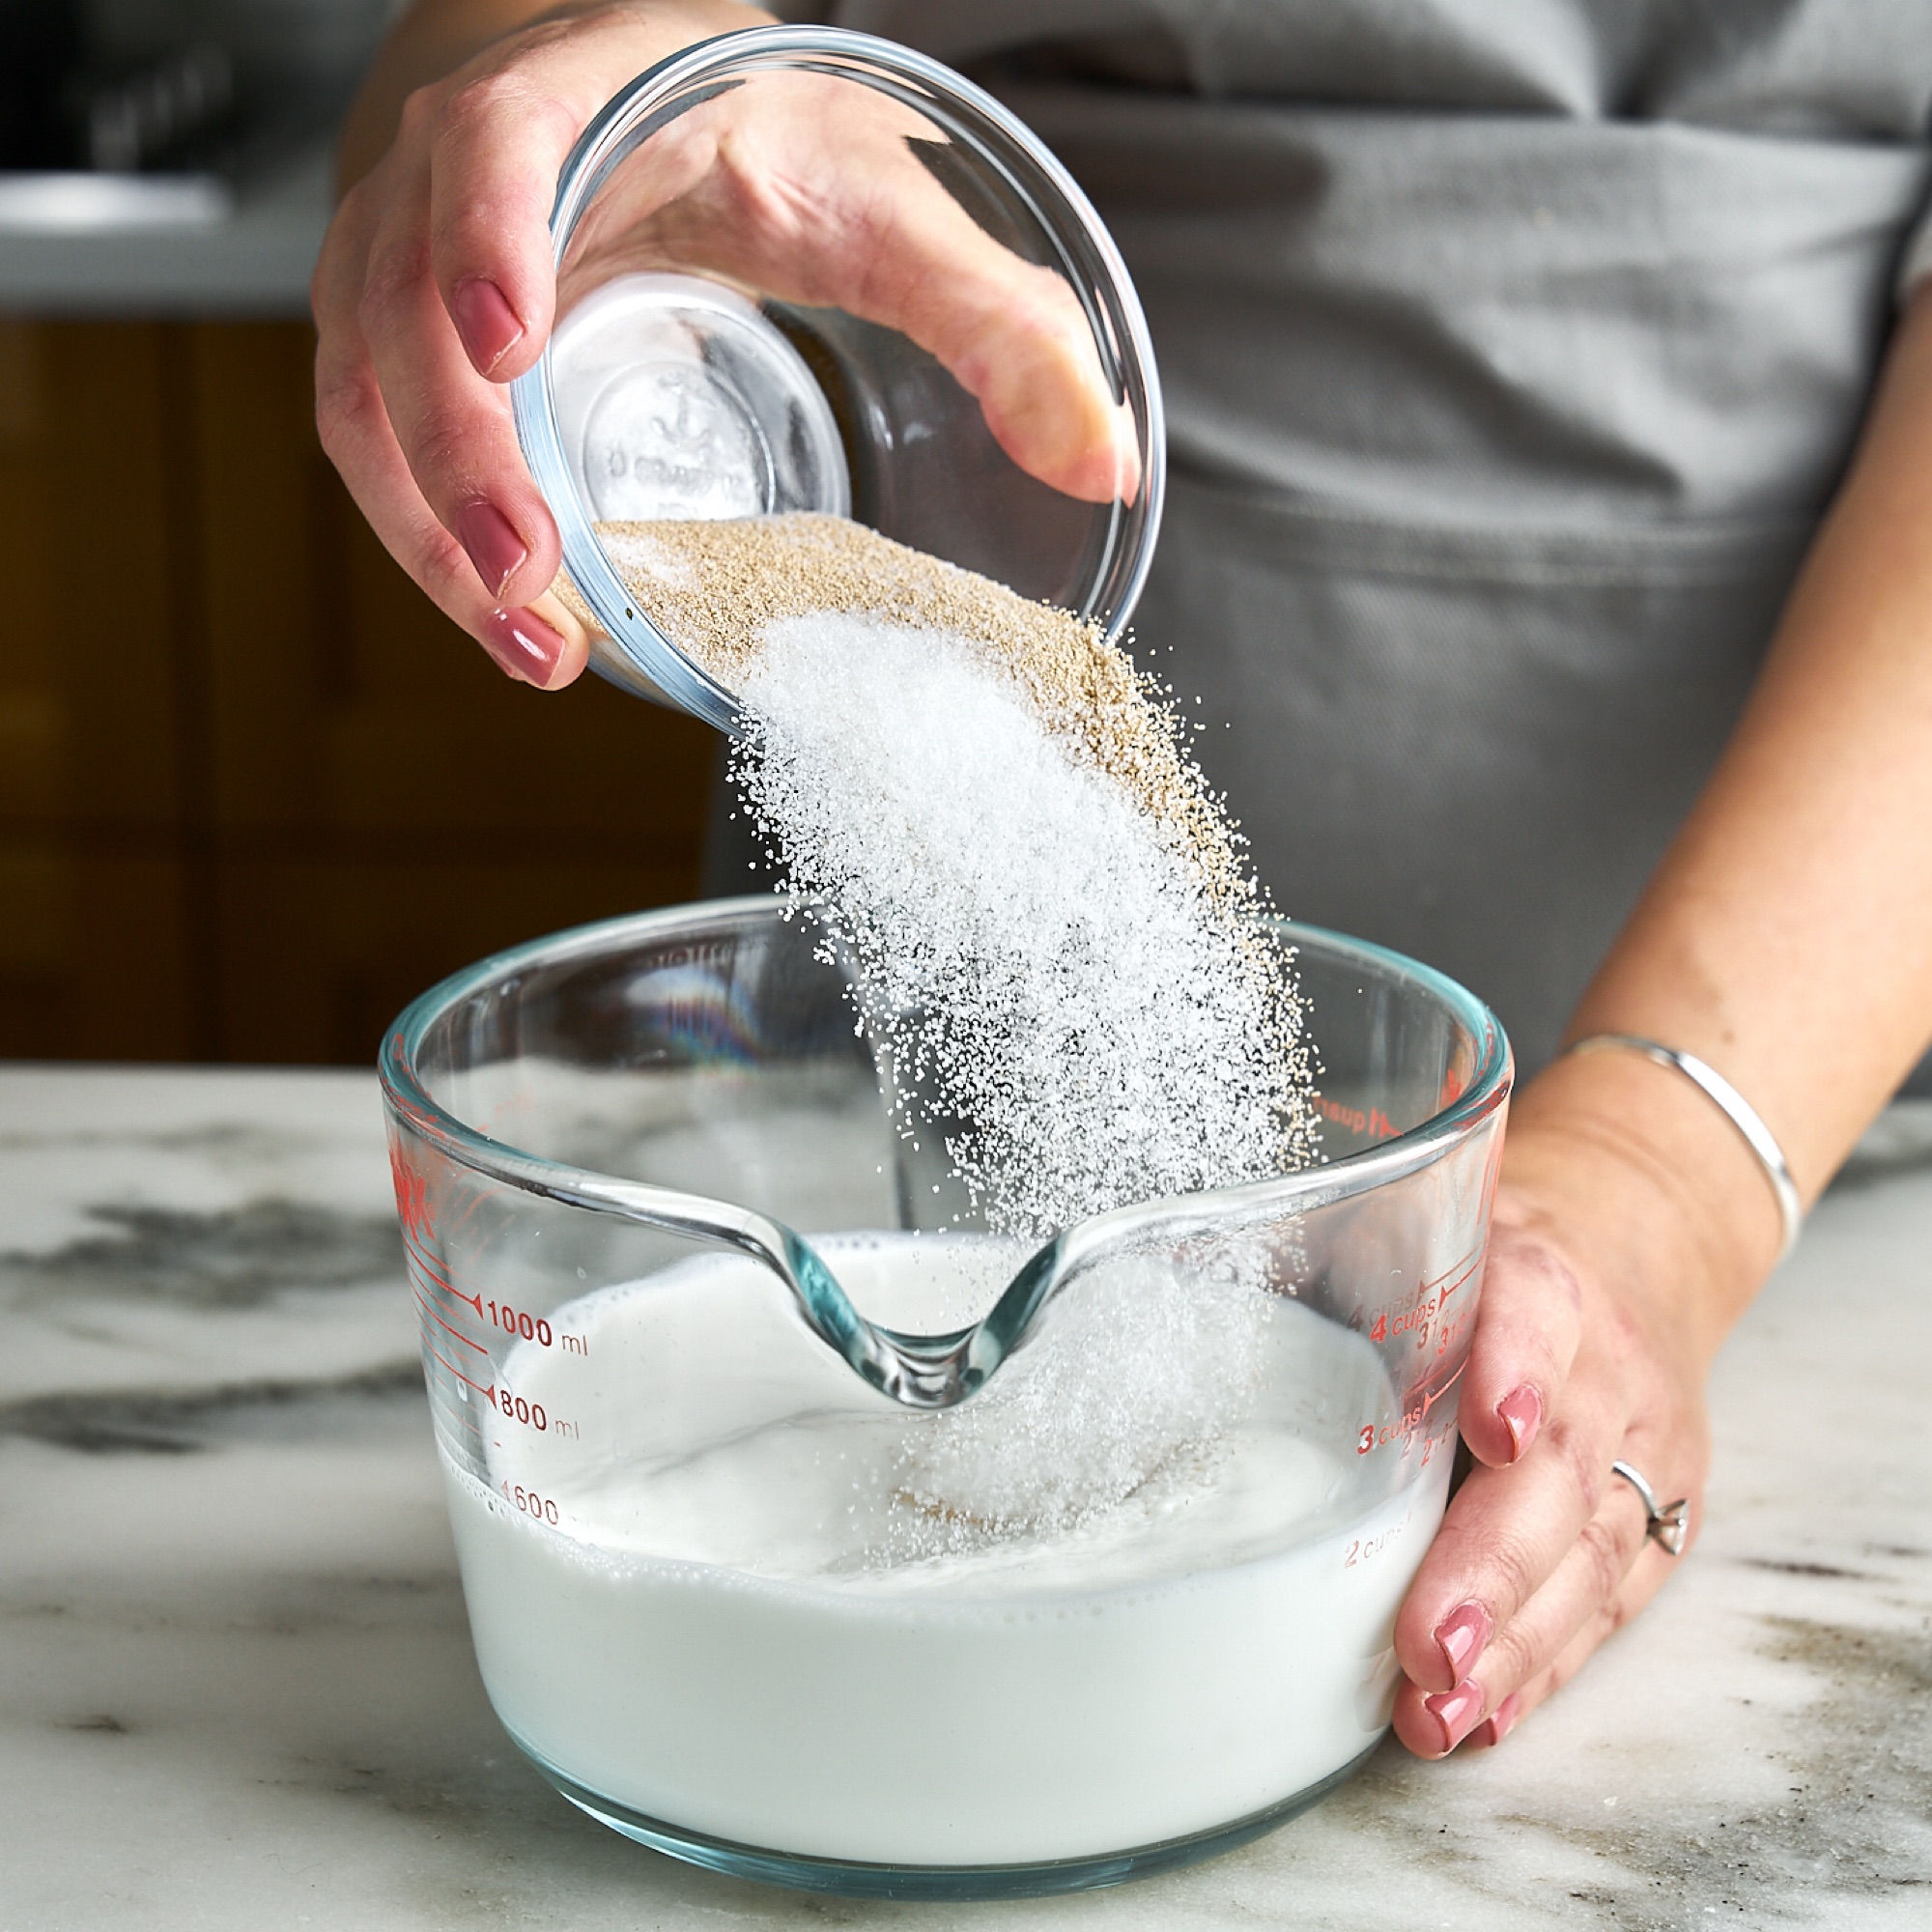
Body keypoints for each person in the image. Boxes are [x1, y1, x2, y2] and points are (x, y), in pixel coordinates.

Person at [314, 0, 1932, 1759]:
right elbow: (470, 79)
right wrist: (566, 129)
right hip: (873, 999)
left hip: (1807, 1036)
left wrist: (1660, 1188)